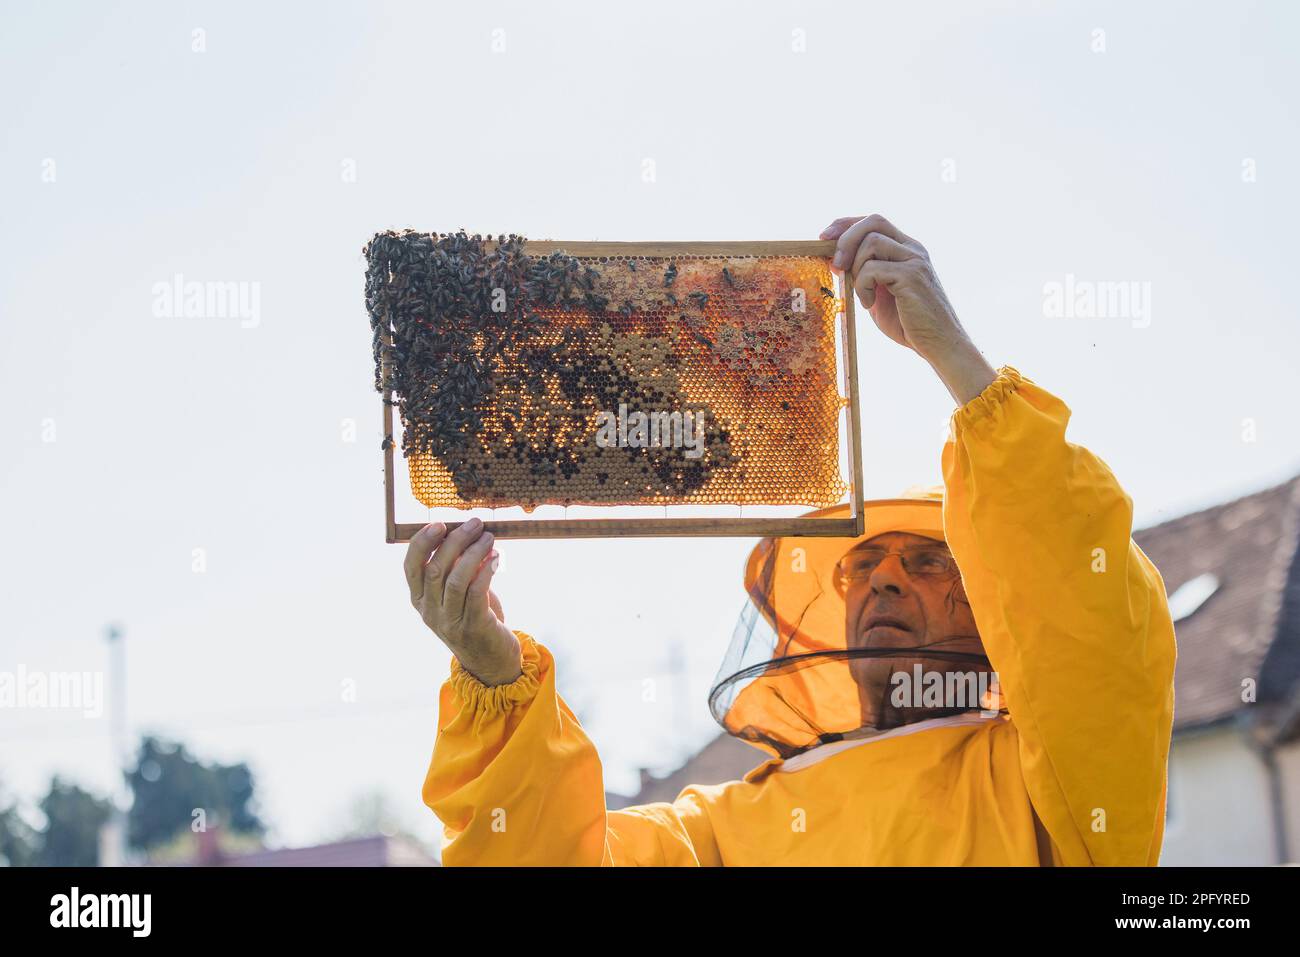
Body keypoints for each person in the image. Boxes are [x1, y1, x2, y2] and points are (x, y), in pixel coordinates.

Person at [406, 214, 1177, 866]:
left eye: (926, 560)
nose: (882, 581)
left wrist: (959, 362)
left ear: (990, 601)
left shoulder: (1055, 784)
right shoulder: (721, 831)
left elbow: (1091, 626)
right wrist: (493, 673)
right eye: (863, 564)